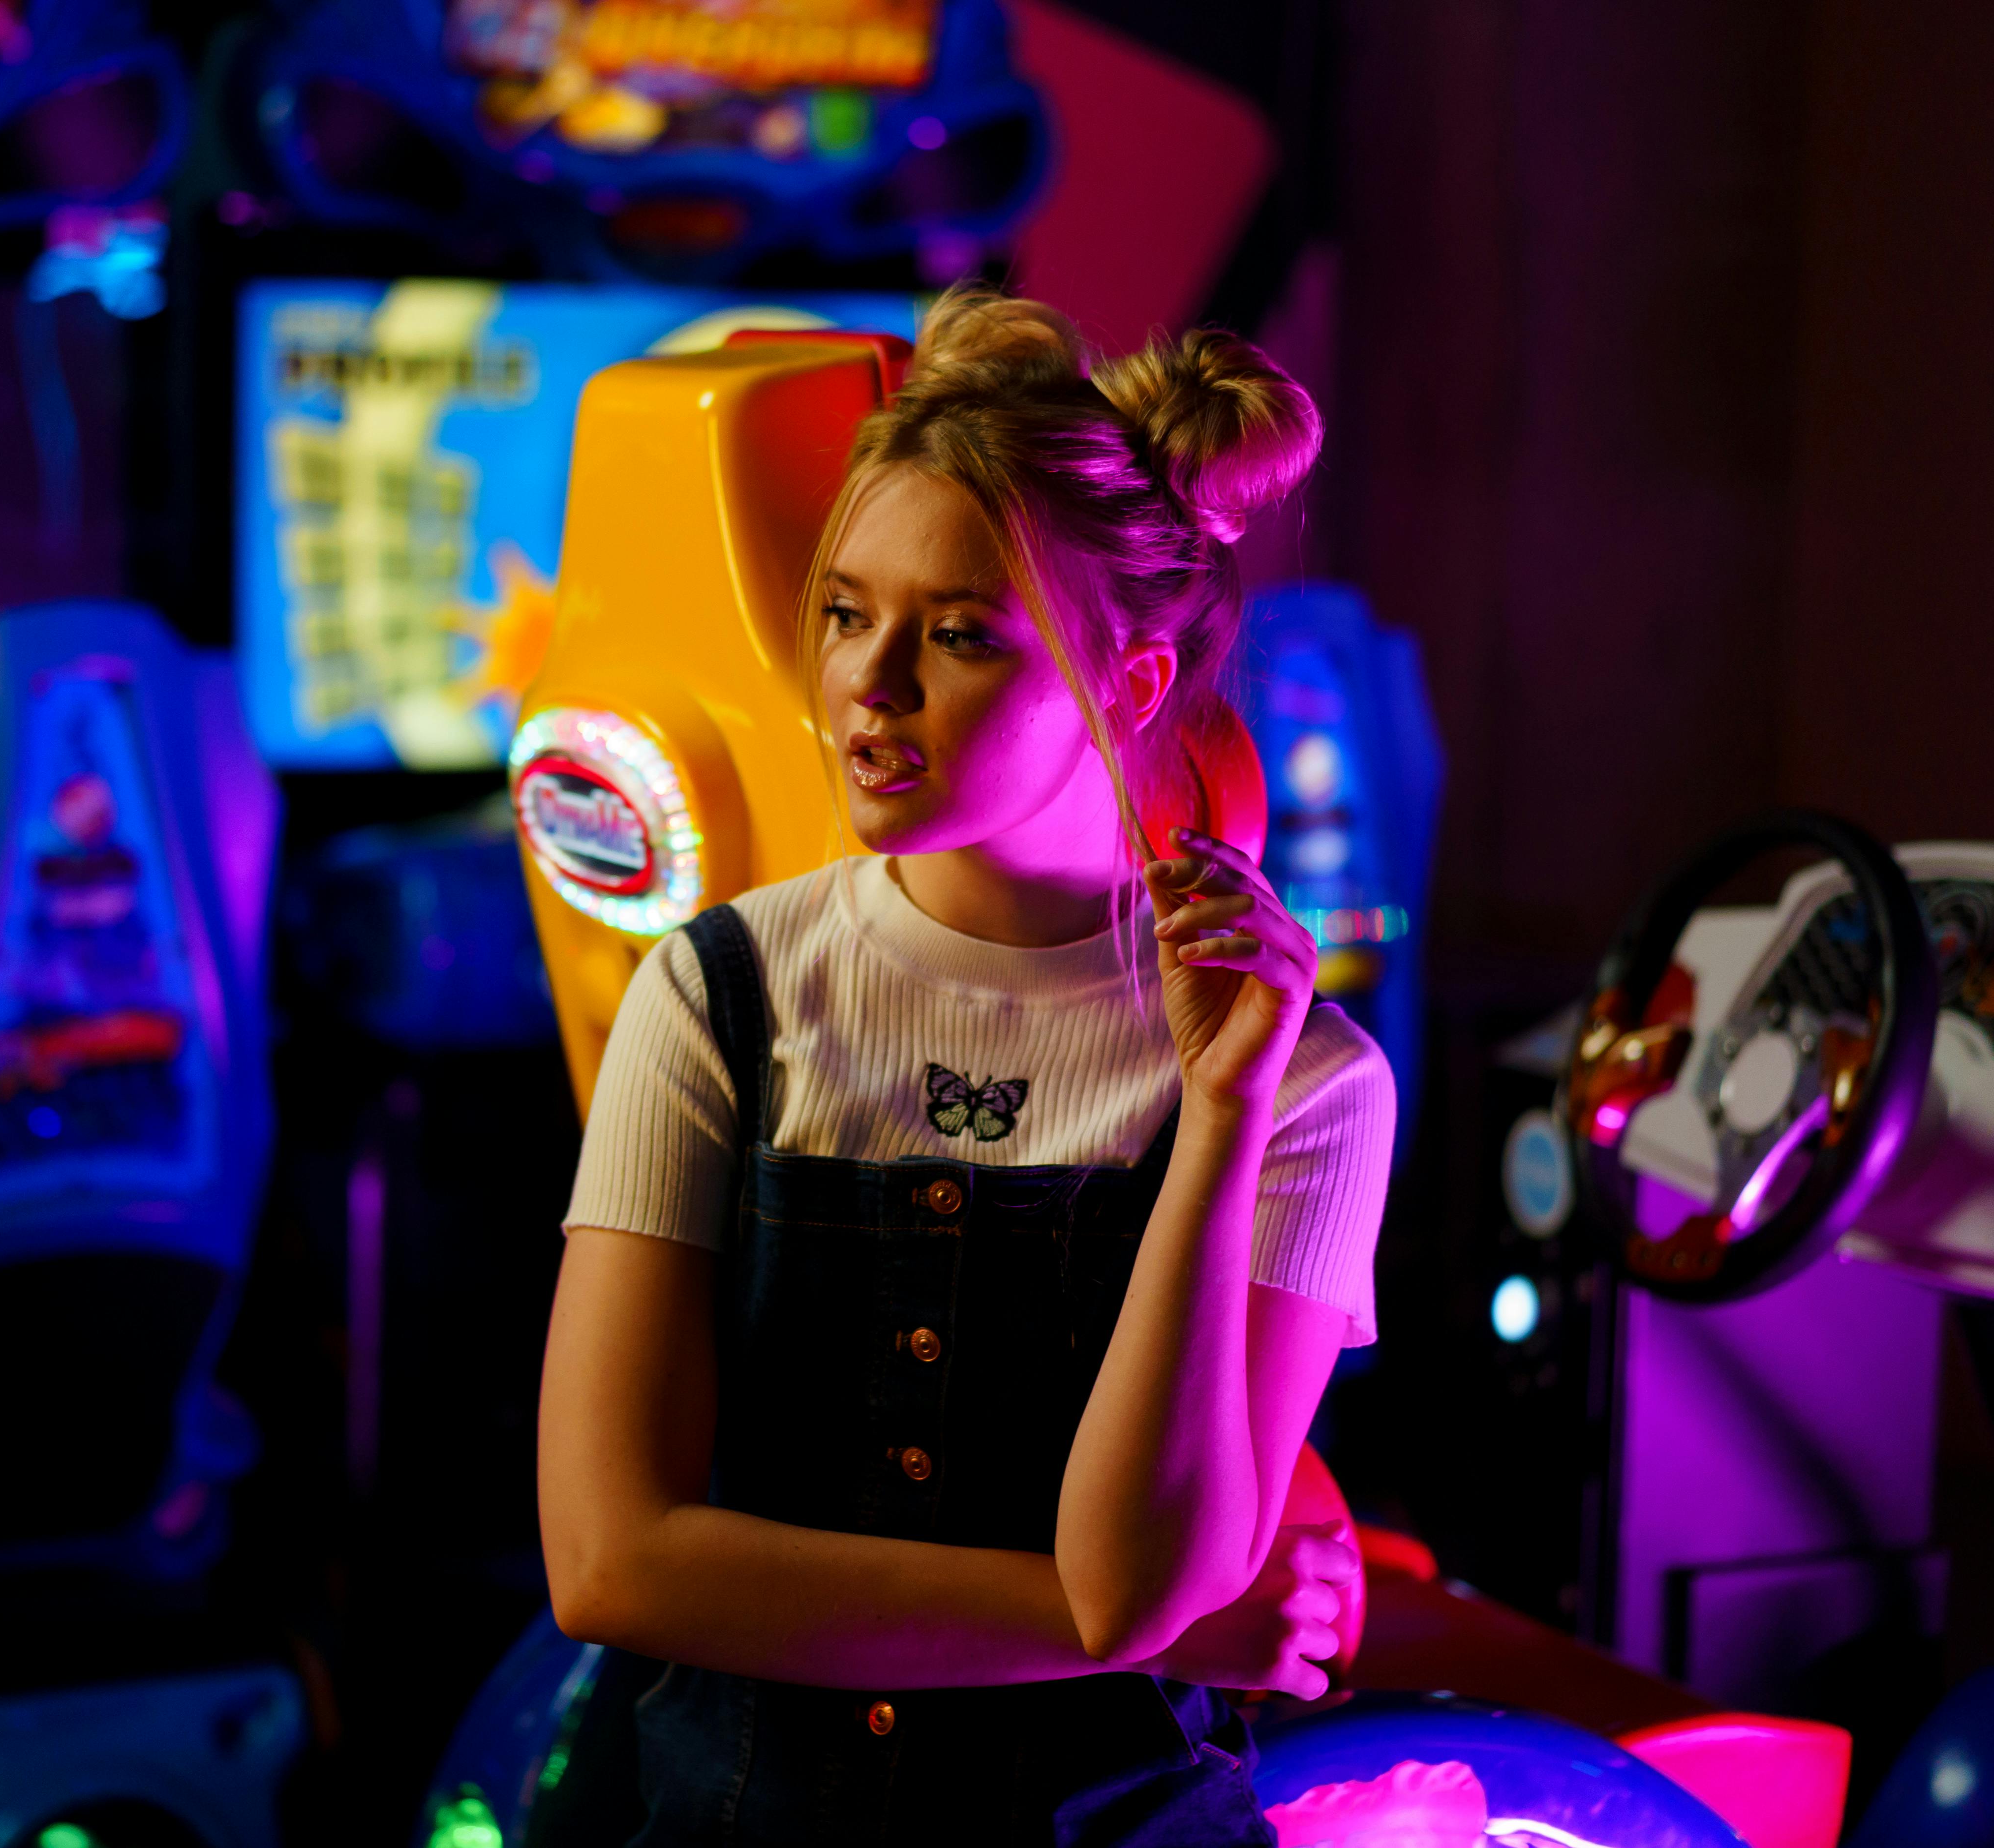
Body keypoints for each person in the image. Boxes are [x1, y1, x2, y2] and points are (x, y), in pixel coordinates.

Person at [535, 287, 1397, 1846]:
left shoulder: (1311, 1084)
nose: (868, 686)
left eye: (957, 635)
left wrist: (1216, 1121)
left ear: (1128, 686)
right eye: (845, 612)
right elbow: (610, 1563)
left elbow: (1141, 1574)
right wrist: (1128, 1625)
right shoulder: (720, 990)